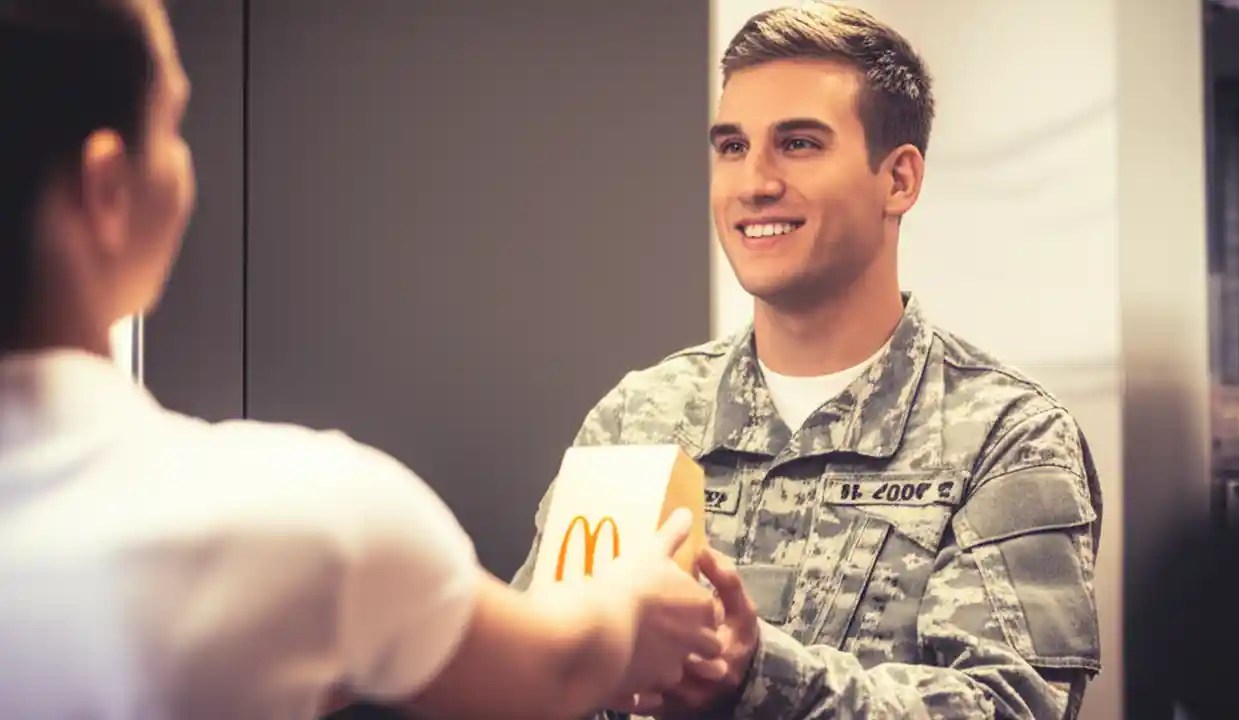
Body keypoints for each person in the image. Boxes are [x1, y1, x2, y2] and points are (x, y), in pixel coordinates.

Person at [0, 1, 724, 718]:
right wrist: (633, 606)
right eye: (172, 125)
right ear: (107, 188)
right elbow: (552, 670)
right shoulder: (301, 516)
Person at [512, 3, 1103, 718]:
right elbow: (536, 675)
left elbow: (1007, 706)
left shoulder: (1009, 439)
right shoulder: (640, 415)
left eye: (797, 144)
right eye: (731, 147)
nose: (753, 181)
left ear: (899, 180)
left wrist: (758, 675)